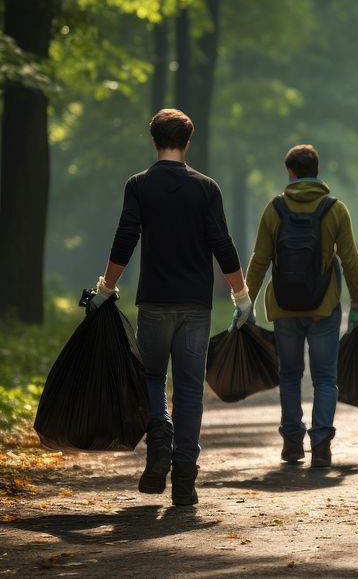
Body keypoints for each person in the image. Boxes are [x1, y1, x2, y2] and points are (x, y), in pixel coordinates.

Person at [88, 108, 250, 506]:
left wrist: (107, 287)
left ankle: (159, 433)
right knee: (191, 390)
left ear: (154, 140)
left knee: (152, 377)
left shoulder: (139, 185)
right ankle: (184, 481)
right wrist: (241, 295)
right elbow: (222, 243)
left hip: (154, 301)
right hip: (195, 305)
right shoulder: (206, 188)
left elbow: (125, 237)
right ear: (188, 142)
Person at [245, 144, 358, 468]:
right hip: (324, 306)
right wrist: (357, 302)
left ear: (291, 172)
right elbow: (350, 260)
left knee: (290, 375)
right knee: (325, 377)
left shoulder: (275, 209)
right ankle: (322, 443)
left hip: (284, 307)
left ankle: (292, 442)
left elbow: (260, 260)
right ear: (316, 170)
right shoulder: (335, 209)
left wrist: (246, 301)